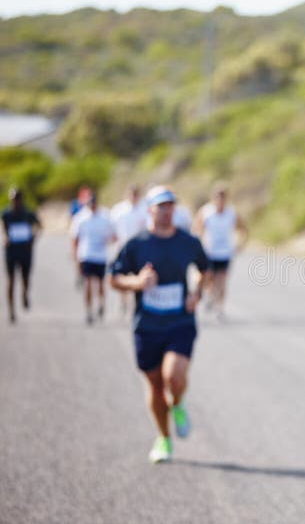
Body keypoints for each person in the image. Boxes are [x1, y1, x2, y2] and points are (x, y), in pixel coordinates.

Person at [109, 186, 209, 464]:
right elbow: (114, 278)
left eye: (170, 206)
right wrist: (137, 283)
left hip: (180, 321)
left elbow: (205, 269)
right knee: (154, 386)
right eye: (161, 206)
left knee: (173, 377)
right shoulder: (136, 244)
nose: (167, 211)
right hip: (147, 325)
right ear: (149, 210)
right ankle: (163, 438)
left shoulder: (188, 241)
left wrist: (196, 292)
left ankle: (177, 403)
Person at [193, 183, 247, 318]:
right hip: (209, 252)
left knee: (222, 280)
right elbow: (196, 228)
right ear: (213, 198)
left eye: (222, 197)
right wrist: (199, 243)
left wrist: (240, 244)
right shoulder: (206, 212)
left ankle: (220, 307)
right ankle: (210, 296)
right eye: (217, 197)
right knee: (208, 279)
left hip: (224, 252)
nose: (220, 200)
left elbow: (243, 229)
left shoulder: (231, 213)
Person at [70, 194, 115, 325]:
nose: (92, 206)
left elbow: (112, 235)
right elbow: (74, 237)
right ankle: (88, 311)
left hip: (100, 255)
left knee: (101, 284)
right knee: (88, 283)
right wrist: (75, 256)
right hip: (86, 254)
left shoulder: (104, 217)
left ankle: (101, 305)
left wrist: (107, 240)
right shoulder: (80, 218)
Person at [2, 187, 41, 323]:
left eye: (17, 198)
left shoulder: (28, 213)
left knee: (25, 278)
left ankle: (25, 294)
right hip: (11, 251)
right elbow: (2, 227)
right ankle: (11, 310)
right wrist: (4, 237)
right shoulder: (6, 214)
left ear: (21, 199)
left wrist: (34, 237)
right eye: (13, 198)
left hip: (25, 250)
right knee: (11, 280)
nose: (15, 201)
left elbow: (38, 225)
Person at [110, 185, 148, 316]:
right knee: (121, 276)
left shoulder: (143, 210)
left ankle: (134, 305)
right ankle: (123, 303)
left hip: (139, 250)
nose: (133, 197)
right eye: (131, 195)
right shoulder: (119, 210)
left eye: (135, 195)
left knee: (136, 277)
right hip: (122, 248)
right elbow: (112, 228)